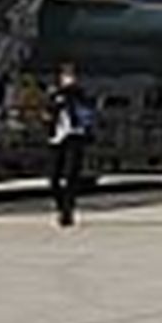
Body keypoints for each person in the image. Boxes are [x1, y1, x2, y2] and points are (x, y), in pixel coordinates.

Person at [46, 62, 92, 228]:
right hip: (58, 137)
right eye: (65, 76)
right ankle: (61, 206)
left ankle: (67, 211)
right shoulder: (55, 94)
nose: (68, 79)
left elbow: (85, 108)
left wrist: (68, 94)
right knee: (54, 178)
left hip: (75, 136)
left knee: (71, 175)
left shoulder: (79, 93)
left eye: (70, 76)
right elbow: (49, 112)